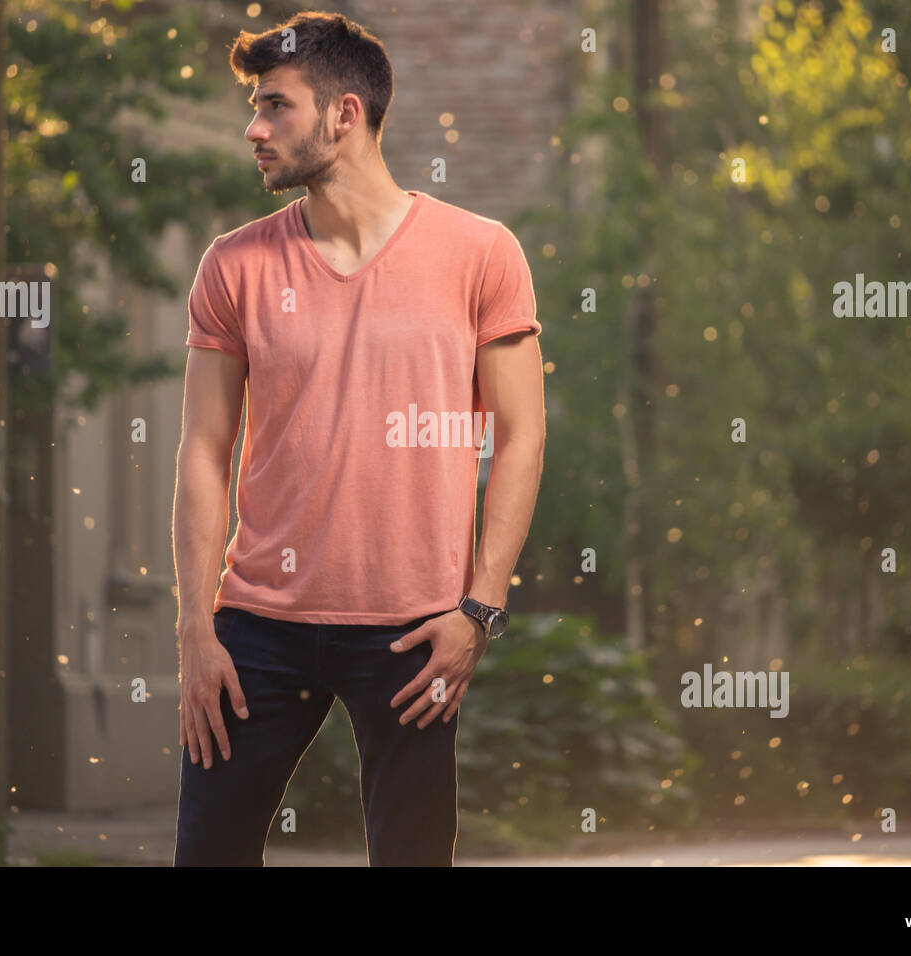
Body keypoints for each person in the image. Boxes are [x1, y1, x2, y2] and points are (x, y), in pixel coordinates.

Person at [171, 10, 545, 866]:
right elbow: (202, 447)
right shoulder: (233, 266)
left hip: (414, 633)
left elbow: (521, 436)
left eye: (276, 107)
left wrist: (479, 609)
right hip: (256, 629)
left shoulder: (481, 253)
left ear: (345, 114)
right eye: (254, 109)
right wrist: (197, 629)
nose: (252, 129)